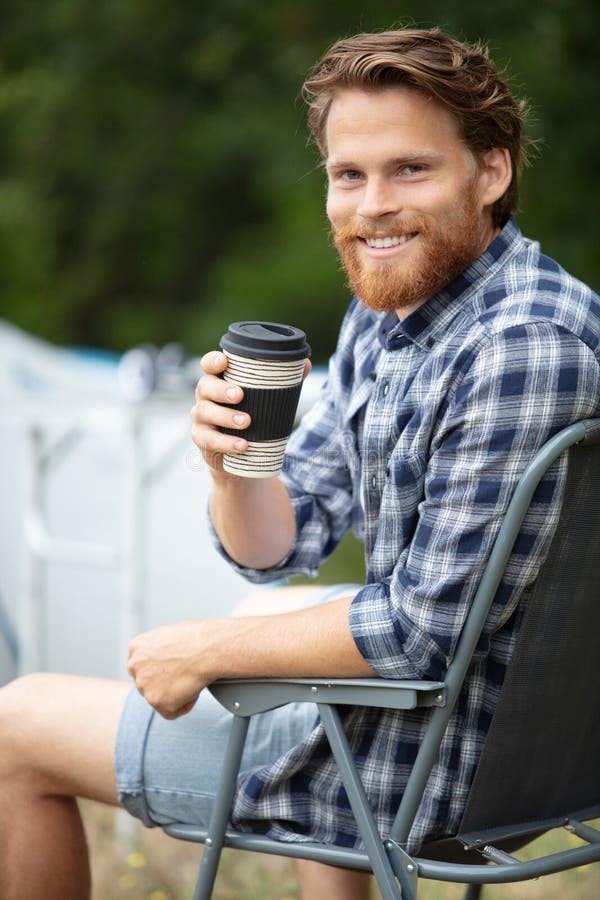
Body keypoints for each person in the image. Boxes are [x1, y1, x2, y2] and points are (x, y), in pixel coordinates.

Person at [1, 26, 599, 900]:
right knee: (272, 600)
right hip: (465, 723)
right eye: (348, 175)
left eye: (411, 170)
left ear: (493, 172)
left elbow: (414, 631)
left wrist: (207, 649)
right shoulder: (401, 309)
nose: (372, 207)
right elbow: (286, 541)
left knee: (16, 728)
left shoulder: (521, 349)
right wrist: (234, 464)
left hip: (446, 764)